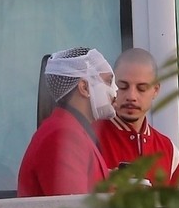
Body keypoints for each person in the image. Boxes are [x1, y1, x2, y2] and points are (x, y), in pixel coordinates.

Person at [17, 47, 117, 197]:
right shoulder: (64, 136)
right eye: (109, 81)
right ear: (84, 87)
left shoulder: (70, 129)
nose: (115, 90)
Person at [95, 48, 179, 187]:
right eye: (123, 87)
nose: (131, 96)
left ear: (155, 90)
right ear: (110, 86)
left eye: (141, 88)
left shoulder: (170, 151)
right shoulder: (89, 138)